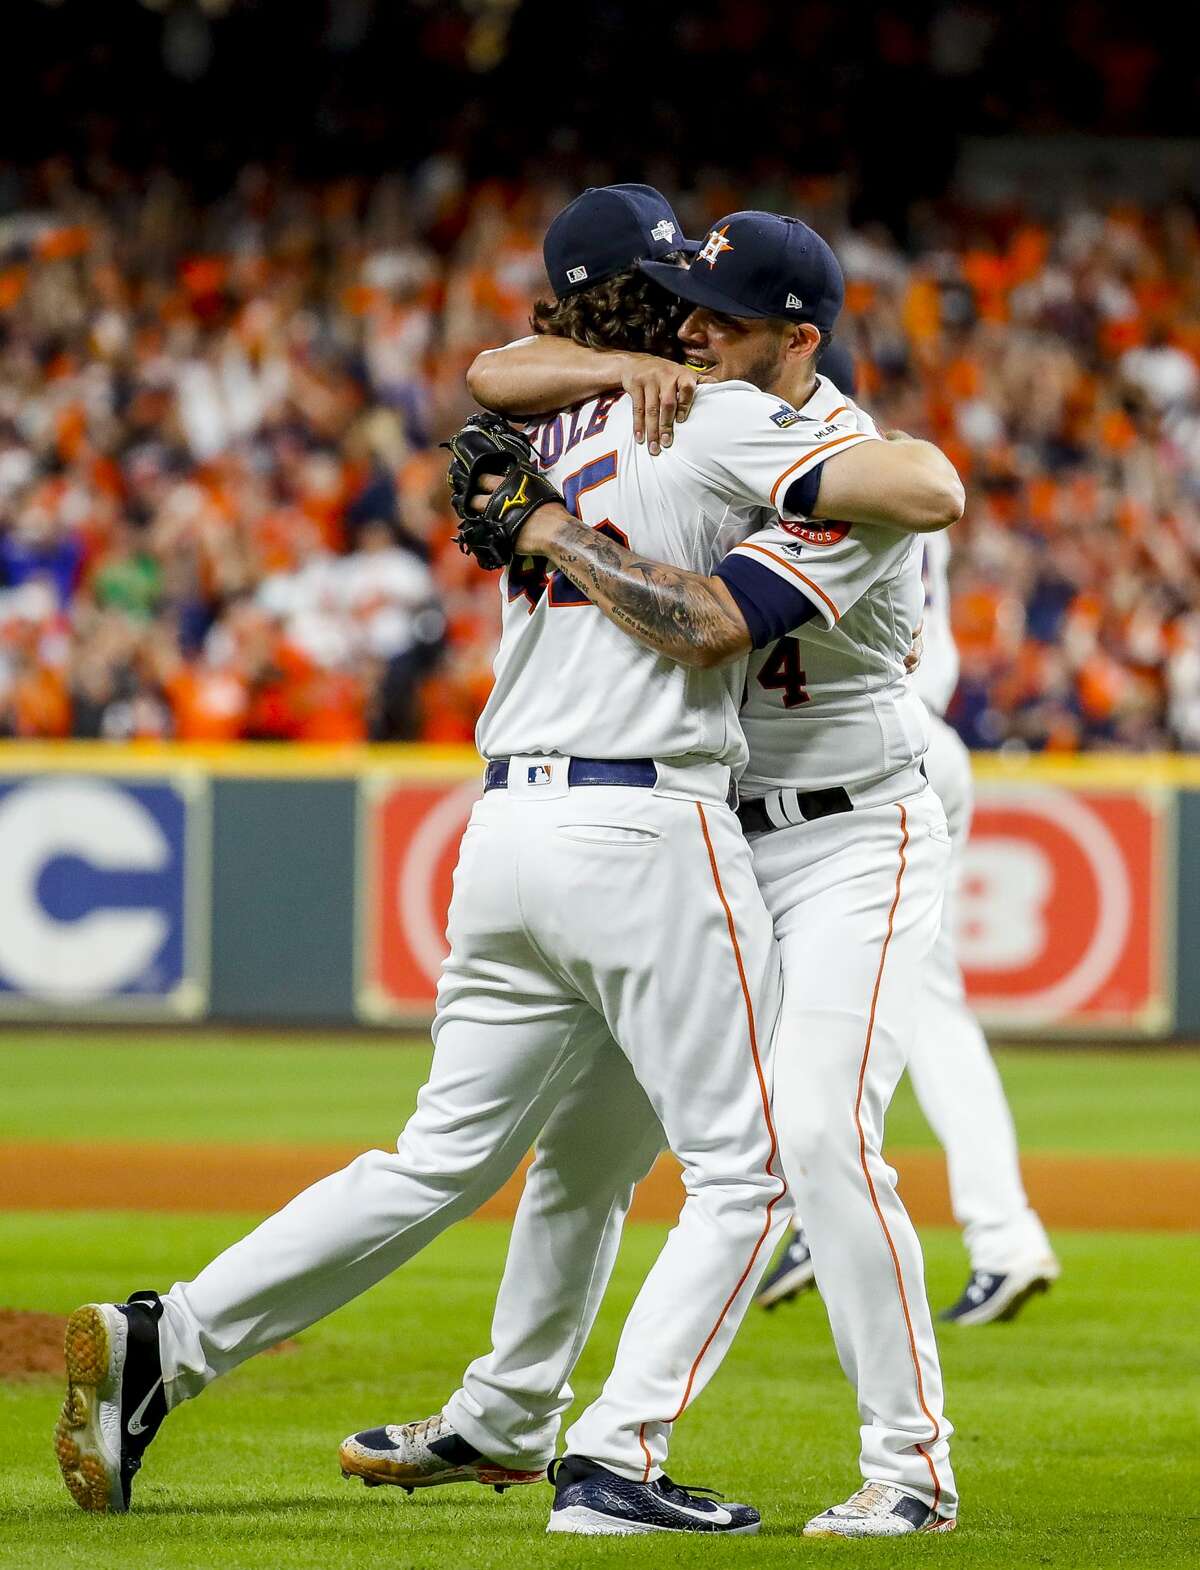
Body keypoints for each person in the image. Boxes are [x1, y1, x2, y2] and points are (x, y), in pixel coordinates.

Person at [55, 184, 790, 1538]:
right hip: (648, 820)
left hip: (508, 829)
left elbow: (493, 367)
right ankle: (618, 1457)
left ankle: (196, 1341)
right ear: (653, 297)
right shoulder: (714, 408)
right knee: (753, 1170)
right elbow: (888, 480)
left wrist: (604, 362)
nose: (704, 306)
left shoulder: (528, 412)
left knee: (491, 1158)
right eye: (681, 284)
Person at [343, 209, 966, 1538]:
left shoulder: (826, 458)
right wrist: (615, 374)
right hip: (722, 826)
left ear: (797, 340)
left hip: (853, 833)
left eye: (720, 318)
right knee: (590, 1146)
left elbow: (865, 529)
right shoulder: (701, 414)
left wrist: (554, 532)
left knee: (812, 1135)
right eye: (685, 306)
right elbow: (499, 373)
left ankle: (908, 1467)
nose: (689, 330)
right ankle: (514, 1420)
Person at [757, 386, 1060, 1326]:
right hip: (913, 740)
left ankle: (854, 1209)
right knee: (905, 1003)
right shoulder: (887, 469)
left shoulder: (800, 478)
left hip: (880, 754)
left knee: (844, 998)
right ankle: (979, 1230)